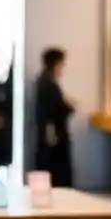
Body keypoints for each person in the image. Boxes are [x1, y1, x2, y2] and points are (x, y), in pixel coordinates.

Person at [34, 48, 75, 187]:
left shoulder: (44, 81)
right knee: (58, 172)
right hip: (55, 136)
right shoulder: (49, 84)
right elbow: (54, 110)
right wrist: (69, 106)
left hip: (49, 135)